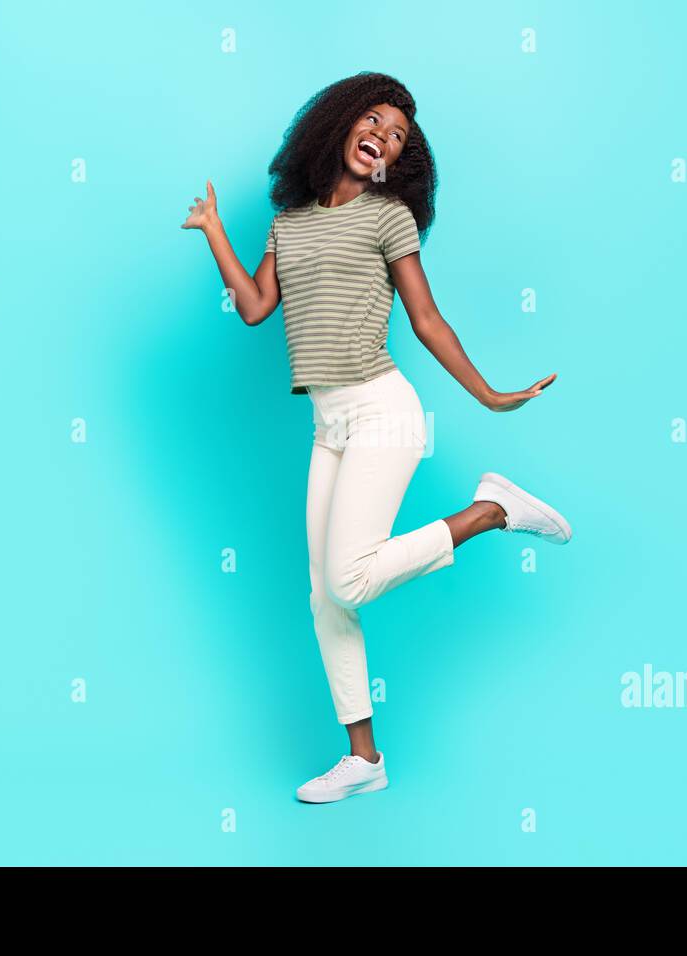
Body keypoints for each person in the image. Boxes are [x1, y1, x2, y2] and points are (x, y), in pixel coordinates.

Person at [183, 71, 572, 804]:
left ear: (400, 159)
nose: (385, 138)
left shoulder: (389, 218)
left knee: (348, 576)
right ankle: (364, 760)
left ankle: (489, 512)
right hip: (327, 424)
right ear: (338, 125)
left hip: (382, 411)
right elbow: (256, 307)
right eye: (376, 121)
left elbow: (426, 321)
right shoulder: (289, 222)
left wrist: (490, 395)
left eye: (398, 136)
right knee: (324, 599)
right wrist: (213, 234)